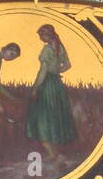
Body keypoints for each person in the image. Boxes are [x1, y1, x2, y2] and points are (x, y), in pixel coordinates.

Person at [25, 23, 77, 169]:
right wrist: (57, 71)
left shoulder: (47, 49)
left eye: (41, 35)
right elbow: (67, 65)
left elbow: (42, 72)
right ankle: (54, 153)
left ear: (46, 35)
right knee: (55, 117)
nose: (40, 38)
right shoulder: (60, 47)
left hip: (46, 85)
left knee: (41, 117)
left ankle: (52, 153)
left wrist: (35, 88)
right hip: (57, 85)